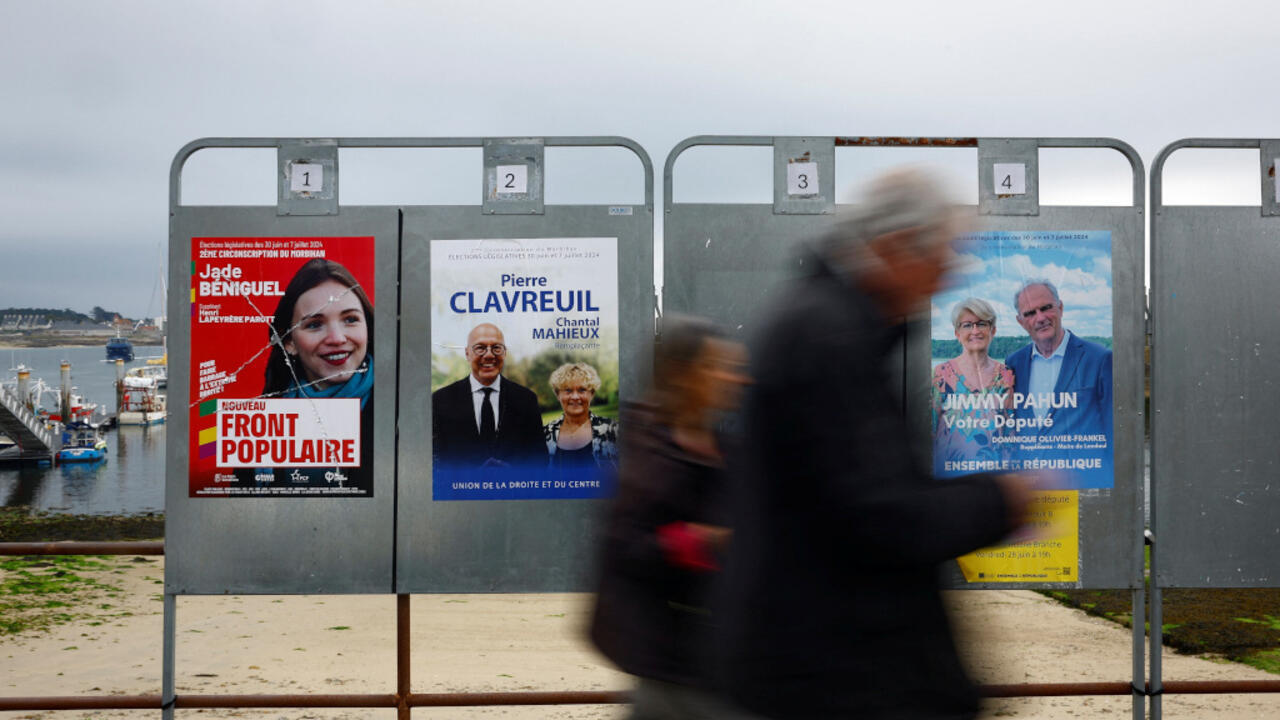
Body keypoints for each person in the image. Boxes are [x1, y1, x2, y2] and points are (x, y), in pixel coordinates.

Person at [712, 168, 1033, 720]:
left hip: (825, 662)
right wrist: (1000, 501)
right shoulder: (827, 334)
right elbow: (877, 514)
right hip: (830, 673)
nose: (947, 274)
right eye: (944, 256)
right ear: (899, 246)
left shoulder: (830, 323)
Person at [590, 314, 748, 720]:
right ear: (681, 374)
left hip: (720, 657)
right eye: (717, 367)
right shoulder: (646, 452)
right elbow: (626, 547)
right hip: (671, 666)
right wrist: (702, 541)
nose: (734, 379)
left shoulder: (729, 449)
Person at [252, 257, 375, 491]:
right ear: (288, 341)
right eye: (314, 324)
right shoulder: (260, 424)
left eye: (350, 319)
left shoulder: (398, 410)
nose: (337, 338)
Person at [1005, 279, 1113, 442]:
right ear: (1020, 321)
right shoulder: (1013, 363)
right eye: (1030, 313)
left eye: (1046, 308)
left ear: (1060, 308)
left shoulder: (1099, 359)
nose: (1040, 318)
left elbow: (1112, 430)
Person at [431, 323, 546, 470]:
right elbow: (435, 462)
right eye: (480, 348)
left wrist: (513, 475)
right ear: (467, 353)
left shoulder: (526, 399)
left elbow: (540, 460)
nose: (489, 355)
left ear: (505, 353)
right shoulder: (441, 401)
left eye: (496, 348)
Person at [931, 297, 1016, 477]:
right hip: (950, 477)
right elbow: (929, 430)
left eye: (982, 324)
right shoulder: (941, 375)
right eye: (967, 325)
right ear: (957, 333)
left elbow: (1011, 432)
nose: (975, 331)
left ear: (993, 330)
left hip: (995, 477)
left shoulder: (1006, 375)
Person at [543, 361, 619, 472]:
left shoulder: (612, 430)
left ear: (592, 393)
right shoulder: (544, 434)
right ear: (557, 394)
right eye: (568, 390)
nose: (575, 396)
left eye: (582, 390)